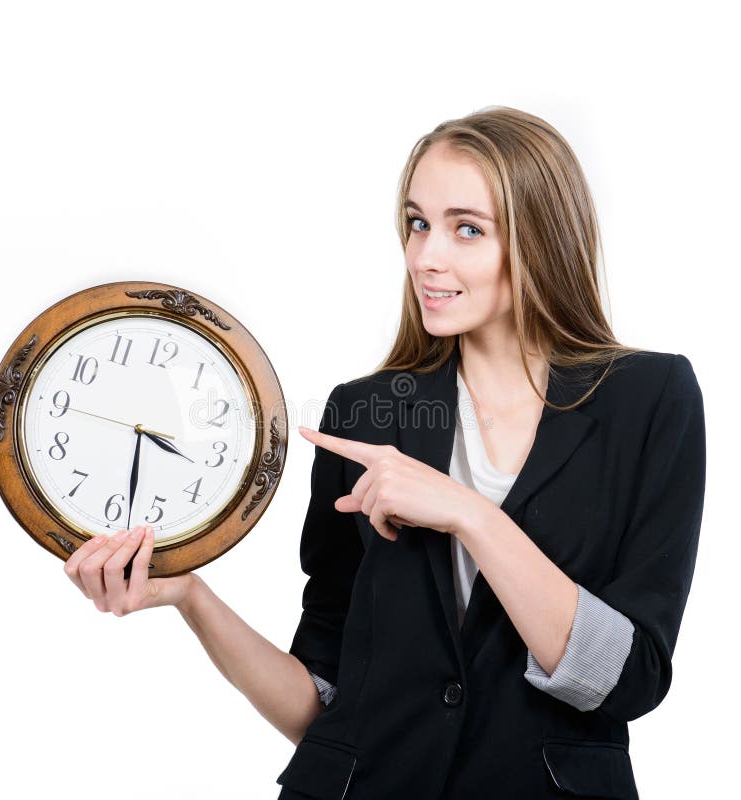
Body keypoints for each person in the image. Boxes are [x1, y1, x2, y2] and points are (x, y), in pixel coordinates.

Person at [64, 106, 706, 799]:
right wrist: (189, 595)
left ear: (541, 238)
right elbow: (322, 704)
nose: (426, 256)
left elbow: (626, 678)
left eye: (468, 229)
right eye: (417, 222)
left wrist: (470, 514)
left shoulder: (650, 397)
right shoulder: (363, 414)